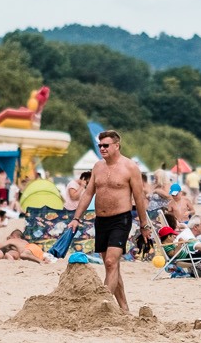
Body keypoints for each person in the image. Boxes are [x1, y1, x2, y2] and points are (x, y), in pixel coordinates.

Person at [63, 129, 159, 312]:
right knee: (111, 267)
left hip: (120, 220)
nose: (102, 148)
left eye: (105, 145)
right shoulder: (98, 167)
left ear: (117, 146)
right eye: (100, 145)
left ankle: (102, 306)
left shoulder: (130, 168)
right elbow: (88, 194)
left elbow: (139, 199)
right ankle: (124, 308)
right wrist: (76, 218)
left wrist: (144, 225)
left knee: (110, 263)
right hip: (101, 220)